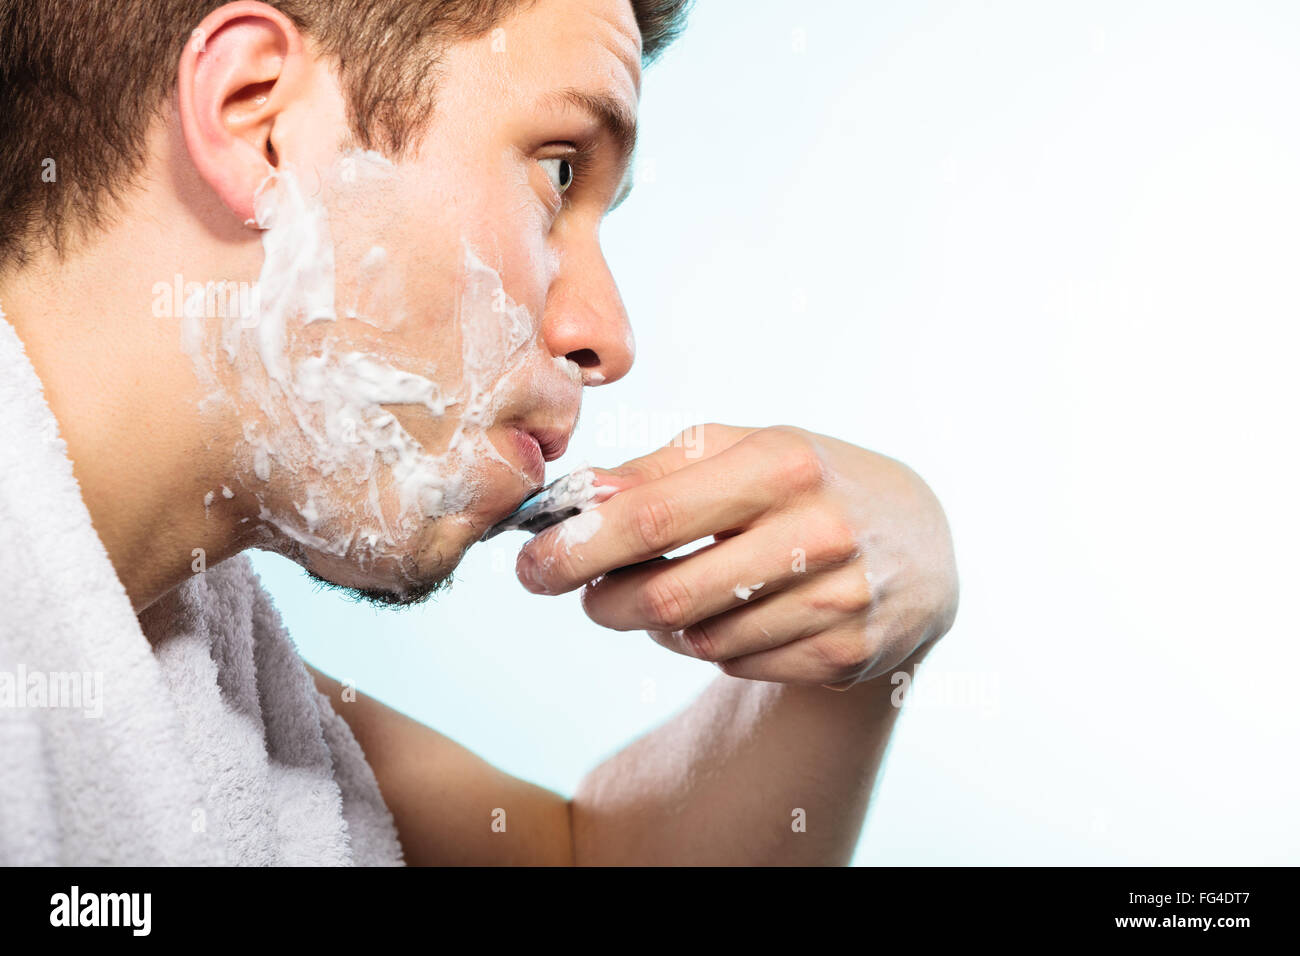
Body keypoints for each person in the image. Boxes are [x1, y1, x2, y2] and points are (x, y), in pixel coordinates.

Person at [0, 0, 959, 864]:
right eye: (559, 172)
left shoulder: (193, 672)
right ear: (262, 124)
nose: (606, 338)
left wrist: (871, 649)